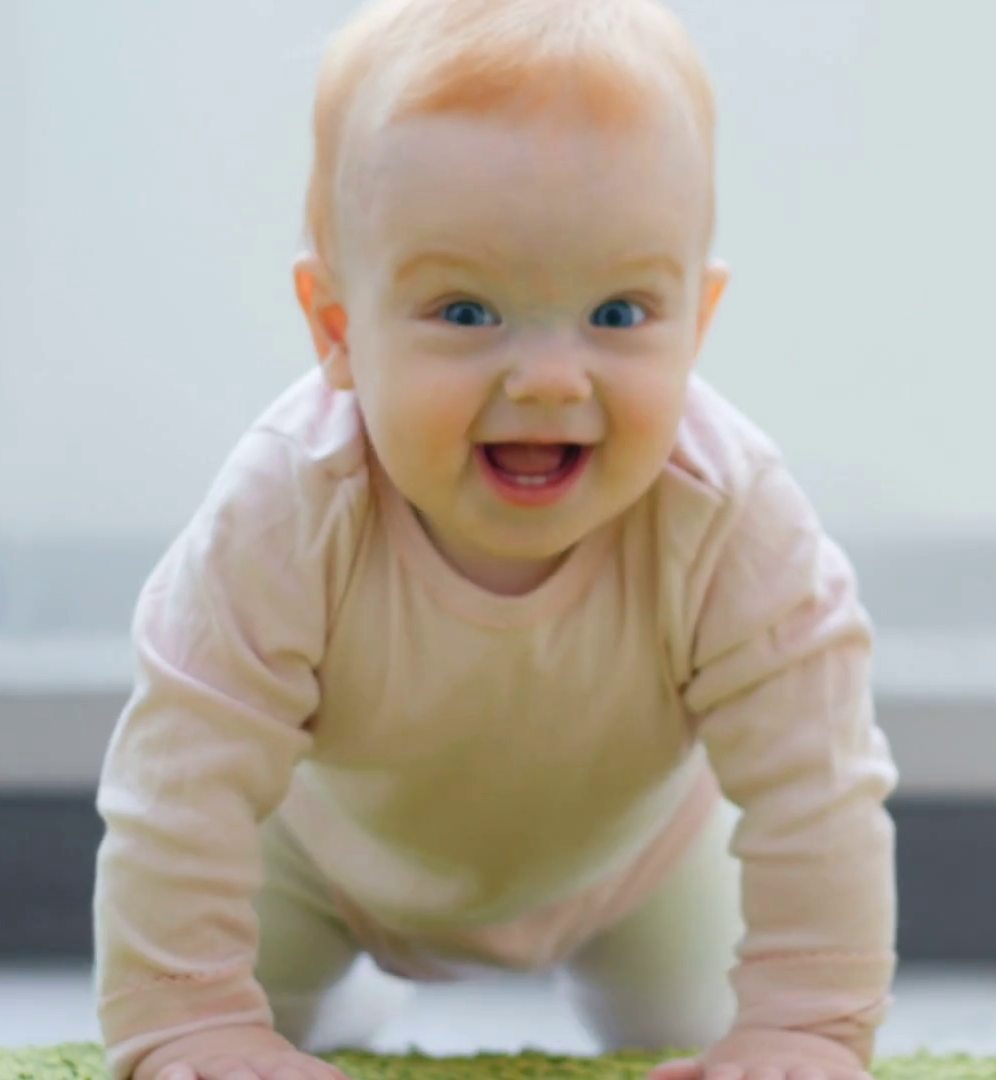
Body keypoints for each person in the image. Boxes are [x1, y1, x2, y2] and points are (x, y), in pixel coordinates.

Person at [92, 2, 898, 1078]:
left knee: (700, 1033)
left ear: (697, 323)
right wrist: (186, 1018)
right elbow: (180, 778)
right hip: (315, 865)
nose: (551, 379)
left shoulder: (728, 515)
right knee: (249, 1039)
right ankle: (348, 1000)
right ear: (338, 329)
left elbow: (819, 779)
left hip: (641, 869)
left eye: (619, 314)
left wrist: (808, 1022)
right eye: (467, 312)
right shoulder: (289, 506)